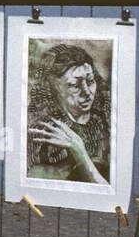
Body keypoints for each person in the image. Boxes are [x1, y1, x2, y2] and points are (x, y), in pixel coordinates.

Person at [27, 43, 111, 185]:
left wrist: (79, 150)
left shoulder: (103, 121)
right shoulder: (43, 132)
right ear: (55, 89)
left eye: (90, 81)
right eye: (74, 85)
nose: (87, 92)